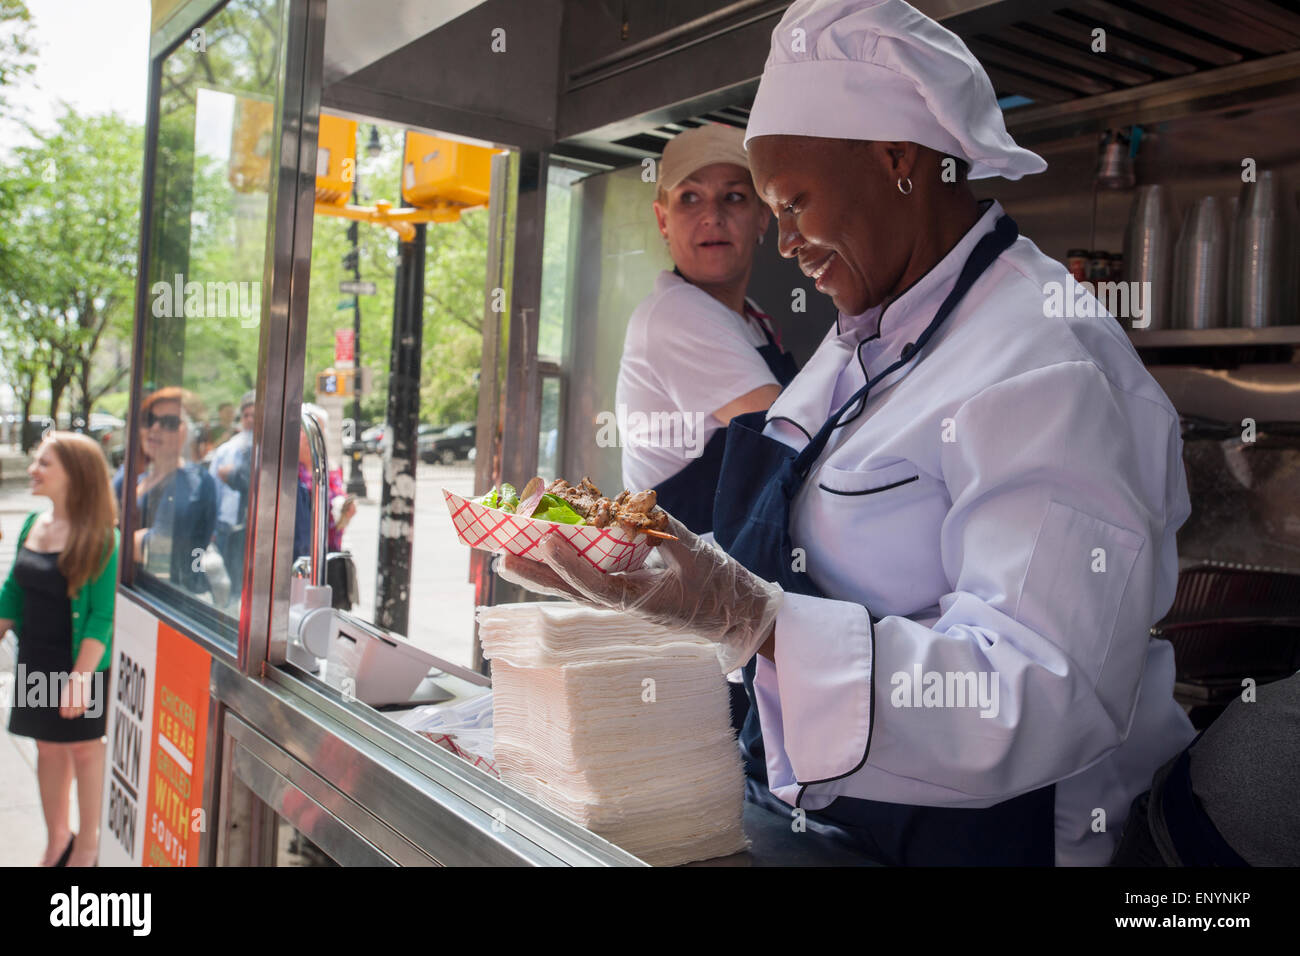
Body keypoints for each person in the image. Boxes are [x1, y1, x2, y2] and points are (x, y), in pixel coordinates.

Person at [499, 0, 1197, 866]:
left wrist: (750, 617)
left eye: (791, 202)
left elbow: (1040, 695)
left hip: (990, 842)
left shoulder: (1043, 358)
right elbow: (789, 538)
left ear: (898, 161)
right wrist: (659, 573)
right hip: (838, 820)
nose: (782, 239)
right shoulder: (866, 329)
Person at [615, 123, 799, 533]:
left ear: (762, 218)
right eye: (690, 198)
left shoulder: (750, 318)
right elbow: (789, 434)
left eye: (733, 197)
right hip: (691, 579)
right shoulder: (676, 312)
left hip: (727, 567)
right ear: (662, 220)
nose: (712, 217)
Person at [0, 432, 119, 867]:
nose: (33, 471)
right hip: (37, 658)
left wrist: (80, 678)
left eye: (44, 463)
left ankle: (87, 846)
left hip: (79, 666)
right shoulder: (34, 525)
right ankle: (57, 839)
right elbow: (13, 592)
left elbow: (102, 618)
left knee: (85, 750)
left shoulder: (104, 538)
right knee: (47, 748)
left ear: (75, 474)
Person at [113, 387, 217, 596]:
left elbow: (158, 548)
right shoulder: (133, 476)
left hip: (171, 602)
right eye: (149, 419)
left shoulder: (194, 481)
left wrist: (114, 534)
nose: (155, 428)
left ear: (188, 432)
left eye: (169, 422)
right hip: (128, 593)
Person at [210, 391, 256, 605]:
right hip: (226, 528)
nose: (249, 420)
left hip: (252, 530)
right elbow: (213, 491)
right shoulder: (226, 451)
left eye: (254, 415)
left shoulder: (267, 454)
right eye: (246, 415)